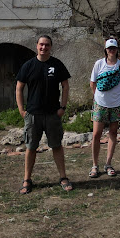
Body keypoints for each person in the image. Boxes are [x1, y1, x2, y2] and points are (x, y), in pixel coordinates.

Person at [15, 35, 73, 194]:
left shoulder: (57, 64)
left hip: (53, 114)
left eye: (47, 45)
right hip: (33, 114)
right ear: (37, 46)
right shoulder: (28, 65)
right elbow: (19, 88)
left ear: (50, 47)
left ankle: (63, 177)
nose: (44, 47)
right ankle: (27, 180)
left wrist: (63, 107)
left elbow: (65, 86)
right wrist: (21, 110)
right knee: (31, 147)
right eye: (41, 44)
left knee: (57, 146)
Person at [88, 38, 120, 178]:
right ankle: (94, 165)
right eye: (109, 48)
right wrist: (98, 97)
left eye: (113, 48)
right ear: (105, 50)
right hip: (100, 104)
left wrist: (118, 98)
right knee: (96, 134)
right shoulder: (99, 64)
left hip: (116, 104)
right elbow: (93, 83)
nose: (111, 50)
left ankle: (108, 163)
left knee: (113, 132)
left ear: (117, 50)